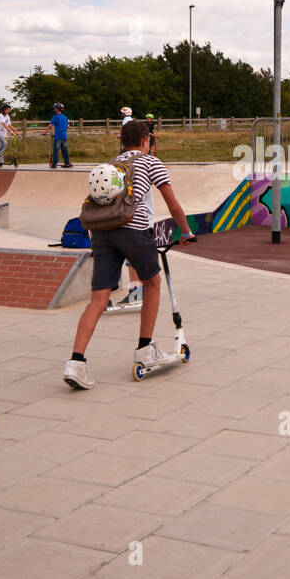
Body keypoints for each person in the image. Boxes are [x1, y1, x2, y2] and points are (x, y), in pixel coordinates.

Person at [64, 118, 194, 390]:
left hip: (102, 232)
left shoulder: (112, 164)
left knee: (98, 298)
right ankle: (145, 348)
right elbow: (173, 203)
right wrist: (186, 232)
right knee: (153, 283)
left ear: (122, 141)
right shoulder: (151, 162)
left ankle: (76, 363)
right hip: (134, 231)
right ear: (146, 140)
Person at [47, 103, 72, 168]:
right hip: (64, 136)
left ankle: (54, 164)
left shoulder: (55, 117)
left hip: (58, 136)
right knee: (65, 150)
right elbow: (68, 126)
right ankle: (67, 163)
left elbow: (50, 125)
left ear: (57, 109)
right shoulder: (65, 117)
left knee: (56, 150)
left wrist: (45, 132)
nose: (54, 109)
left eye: (55, 108)